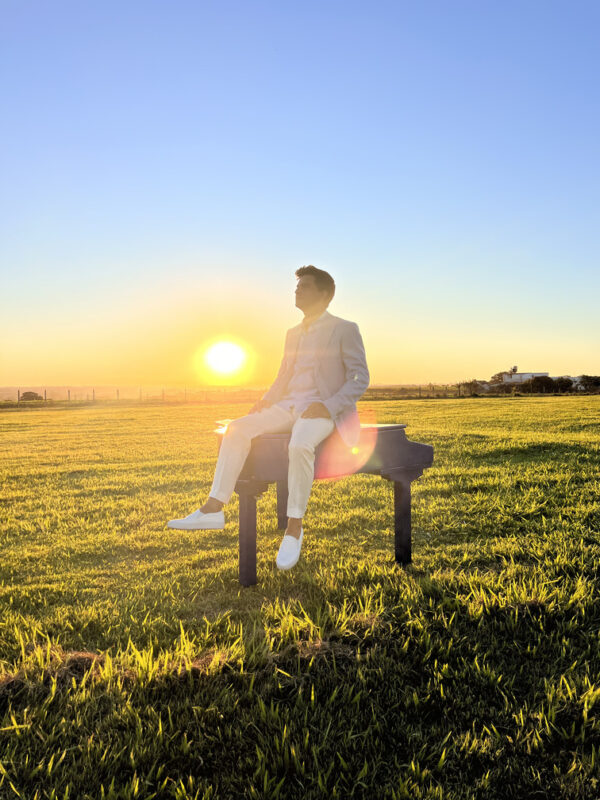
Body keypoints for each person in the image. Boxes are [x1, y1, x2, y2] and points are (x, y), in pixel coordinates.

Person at [167, 265, 370, 570]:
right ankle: (214, 508)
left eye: (304, 286)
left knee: (300, 445)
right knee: (236, 429)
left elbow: (359, 377)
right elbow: (283, 377)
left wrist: (329, 405)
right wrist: (266, 400)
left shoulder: (345, 328)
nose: (297, 290)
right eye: (296, 286)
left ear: (326, 294)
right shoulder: (292, 333)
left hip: (321, 410)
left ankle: (294, 527)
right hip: (286, 405)